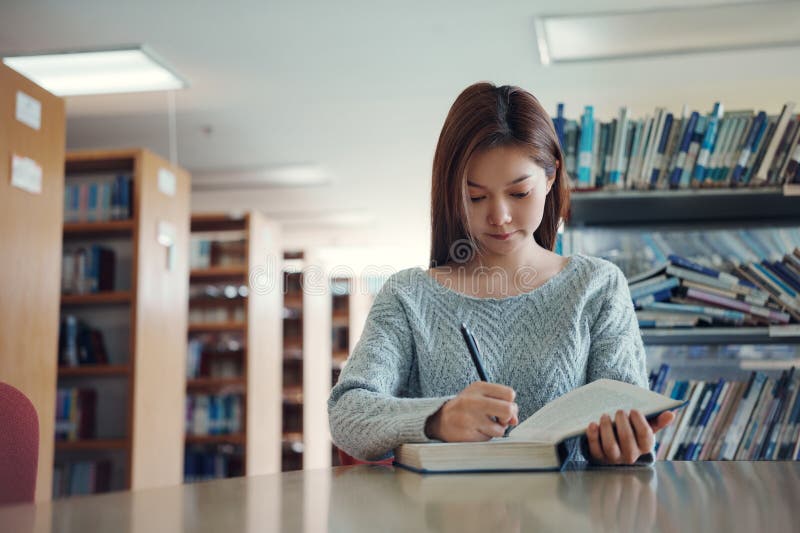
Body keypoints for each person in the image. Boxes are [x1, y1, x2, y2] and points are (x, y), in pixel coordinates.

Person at [328, 82, 674, 466]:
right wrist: (438, 419)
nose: (499, 216)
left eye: (519, 193)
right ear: (450, 193)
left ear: (550, 177)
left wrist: (620, 446)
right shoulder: (408, 295)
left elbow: (627, 416)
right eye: (475, 197)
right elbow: (347, 412)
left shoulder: (597, 287)